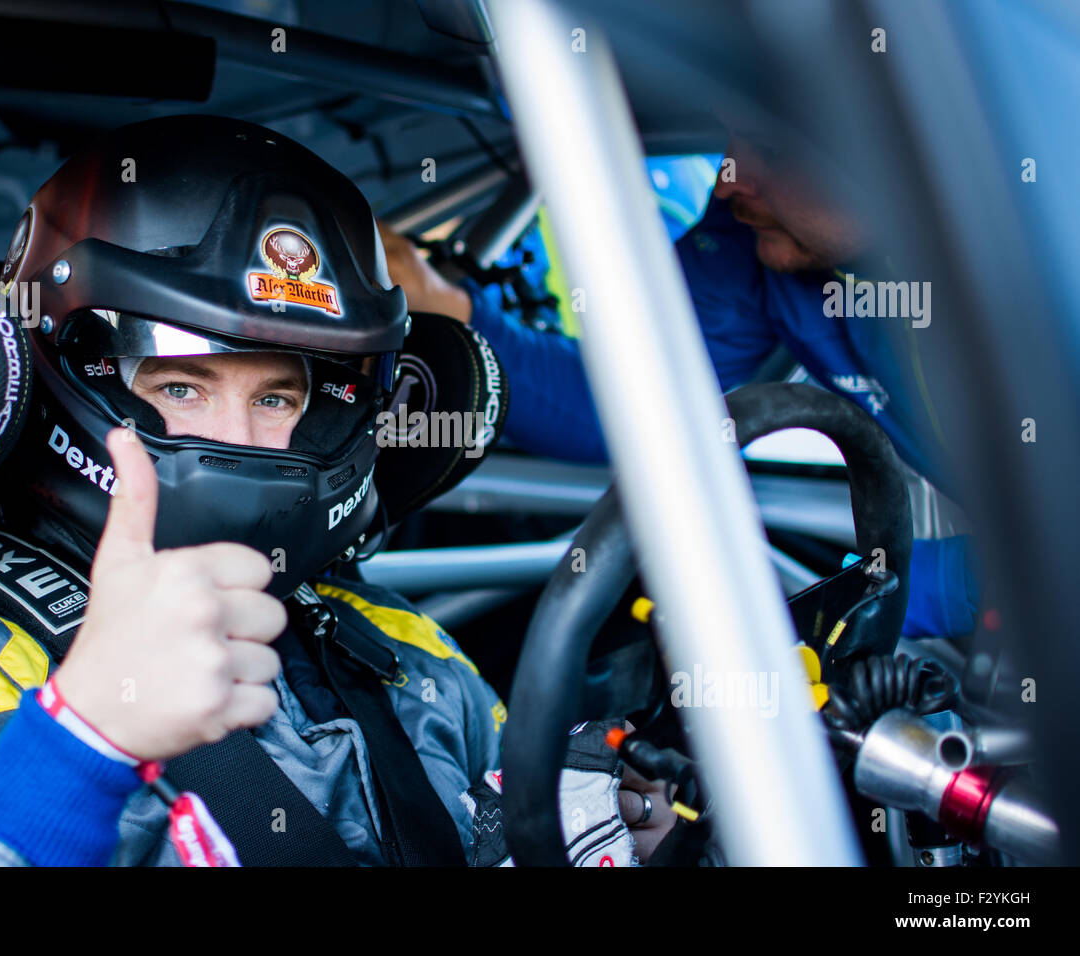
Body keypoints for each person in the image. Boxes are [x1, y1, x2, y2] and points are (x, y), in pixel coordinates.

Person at [0, 114, 674, 868]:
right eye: (181, 389)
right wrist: (83, 741)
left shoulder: (406, 653)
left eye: (277, 398)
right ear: (71, 378)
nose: (240, 440)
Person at [380, 133, 979, 640]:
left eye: (770, 145)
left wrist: (850, 608)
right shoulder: (758, 246)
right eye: (729, 135)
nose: (727, 181)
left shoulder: (1024, 269)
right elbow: (630, 405)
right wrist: (452, 310)